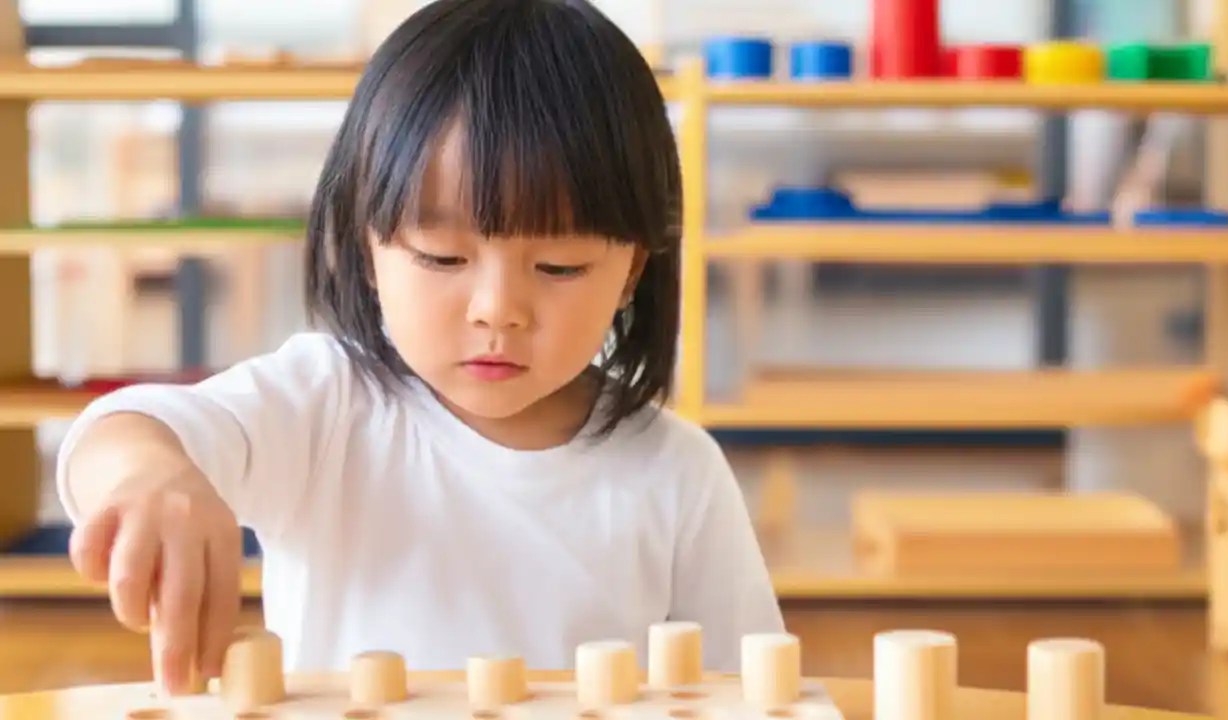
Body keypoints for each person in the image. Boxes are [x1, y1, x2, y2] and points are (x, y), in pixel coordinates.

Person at [55, 0, 783, 696]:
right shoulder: (324, 409)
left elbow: (747, 692)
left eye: (559, 266)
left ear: (633, 271)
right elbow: (128, 430)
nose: (498, 311)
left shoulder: (677, 475)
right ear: (368, 248)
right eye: (441, 257)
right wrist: (148, 475)